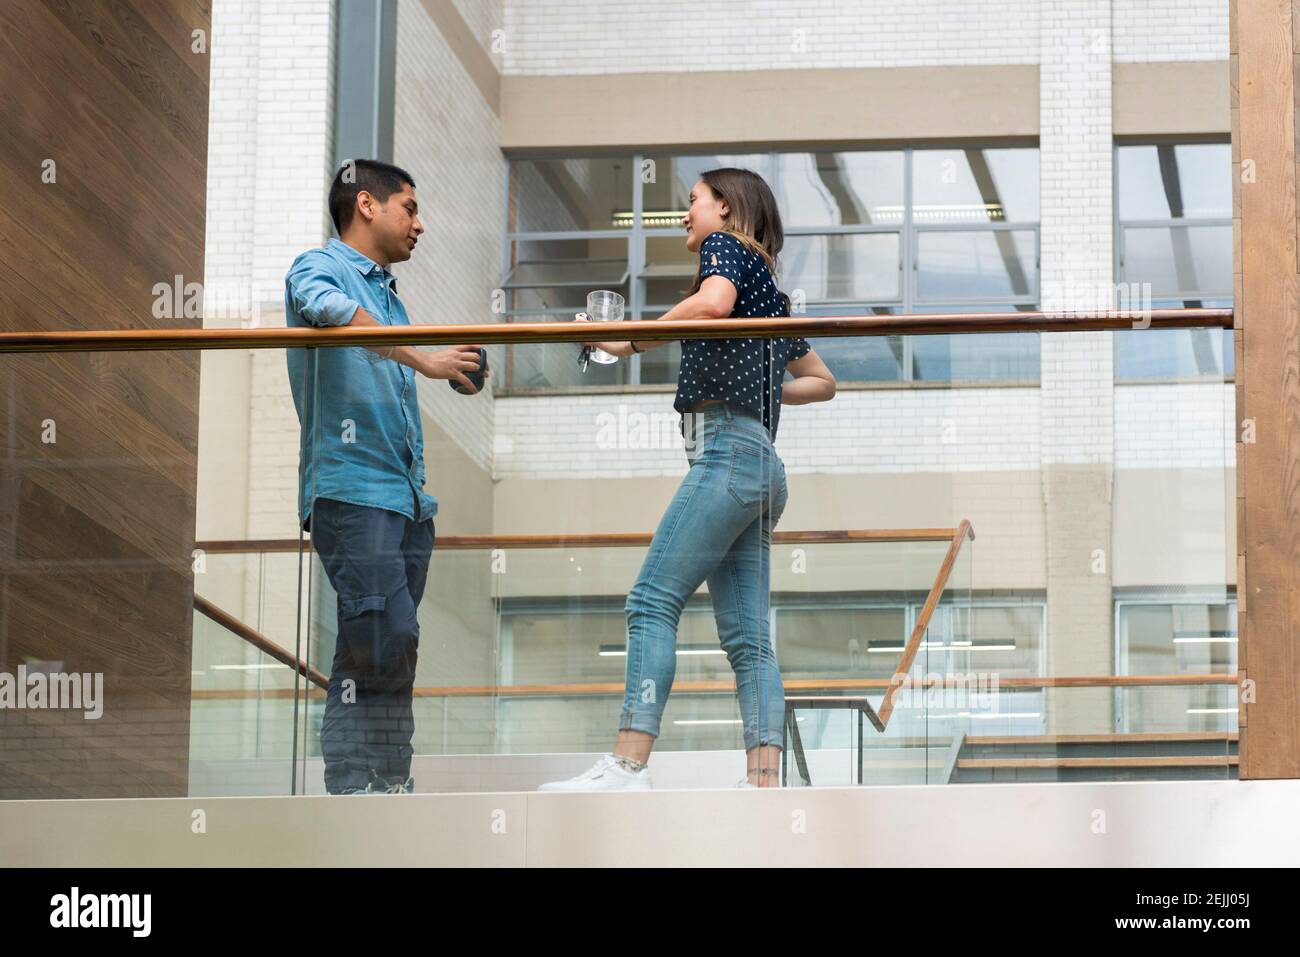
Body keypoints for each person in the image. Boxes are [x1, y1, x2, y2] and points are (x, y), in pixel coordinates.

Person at [541, 168, 836, 791]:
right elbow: (824, 380)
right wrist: (764, 386)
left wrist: (628, 340)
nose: (685, 214)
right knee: (749, 640)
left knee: (651, 600)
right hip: (760, 467)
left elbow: (712, 303)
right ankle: (763, 782)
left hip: (727, 454)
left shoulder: (723, 251)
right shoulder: (772, 292)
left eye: (693, 202)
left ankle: (627, 765)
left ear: (725, 209)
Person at [284, 159, 488, 794]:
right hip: (351, 492)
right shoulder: (316, 267)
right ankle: (373, 779)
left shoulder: (391, 299)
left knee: (368, 643)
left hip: (405, 503)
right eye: (411, 208)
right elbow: (329, 314)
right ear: (366, 205)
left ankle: (366, 782)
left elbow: (395, 360)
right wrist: (425, 359)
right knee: (390, 633)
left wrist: (448, 370)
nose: (420, 224)